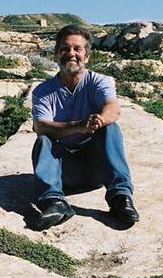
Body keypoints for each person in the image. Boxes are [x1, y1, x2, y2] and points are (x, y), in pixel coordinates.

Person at [30, 25, 139, 230]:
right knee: (43, 140)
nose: (71, 53)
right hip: (63, 171)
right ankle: (54, 201)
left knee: (110, 128)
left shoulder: (99, 81)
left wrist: (99, 120)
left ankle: (120, 197)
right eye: (65, 49)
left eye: (77, 49)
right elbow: (41, 126)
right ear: (56, 55)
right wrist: (78, 126)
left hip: (96, 167)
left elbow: (113, 109)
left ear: (86, 56)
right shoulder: (43, 91)